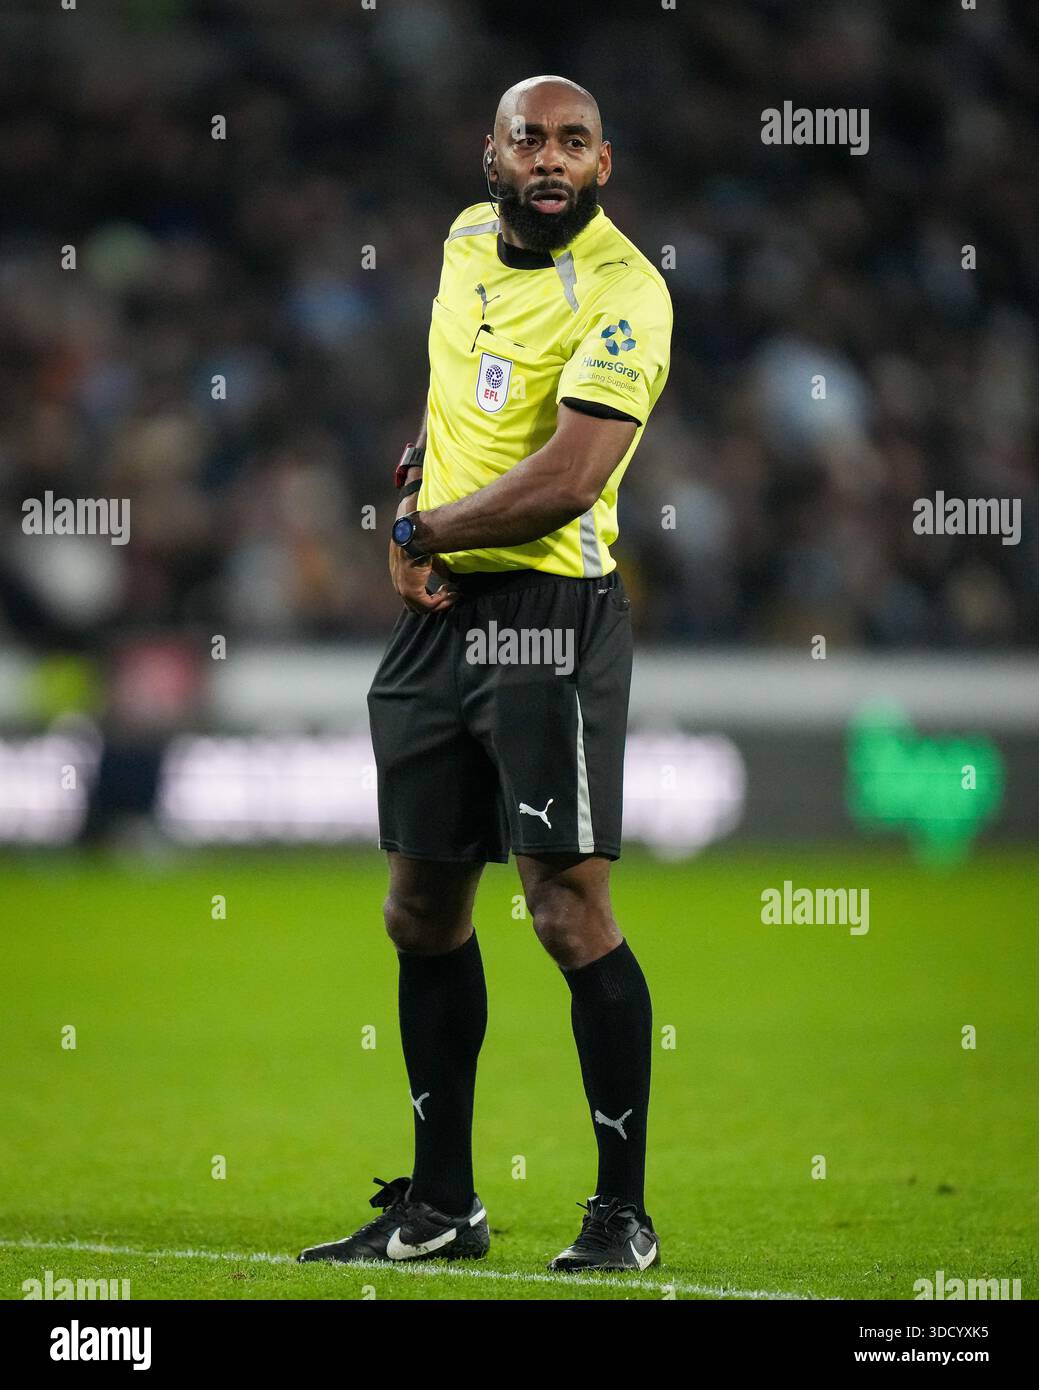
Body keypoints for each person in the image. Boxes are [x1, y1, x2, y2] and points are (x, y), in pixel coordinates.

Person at [299, 74, 672, 1273]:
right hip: (441, 611)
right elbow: (446, 391)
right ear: (492, 156)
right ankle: (442, 1205)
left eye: (575, 142)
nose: (552, 159)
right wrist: (408, 497)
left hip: (546, 617)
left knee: (566, 912)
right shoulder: (465, 242)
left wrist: (423, 532)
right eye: (531, 140)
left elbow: (570, 479)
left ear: (604, 164)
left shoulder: (624, 293)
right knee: (418, 908)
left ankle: (621, 1213)